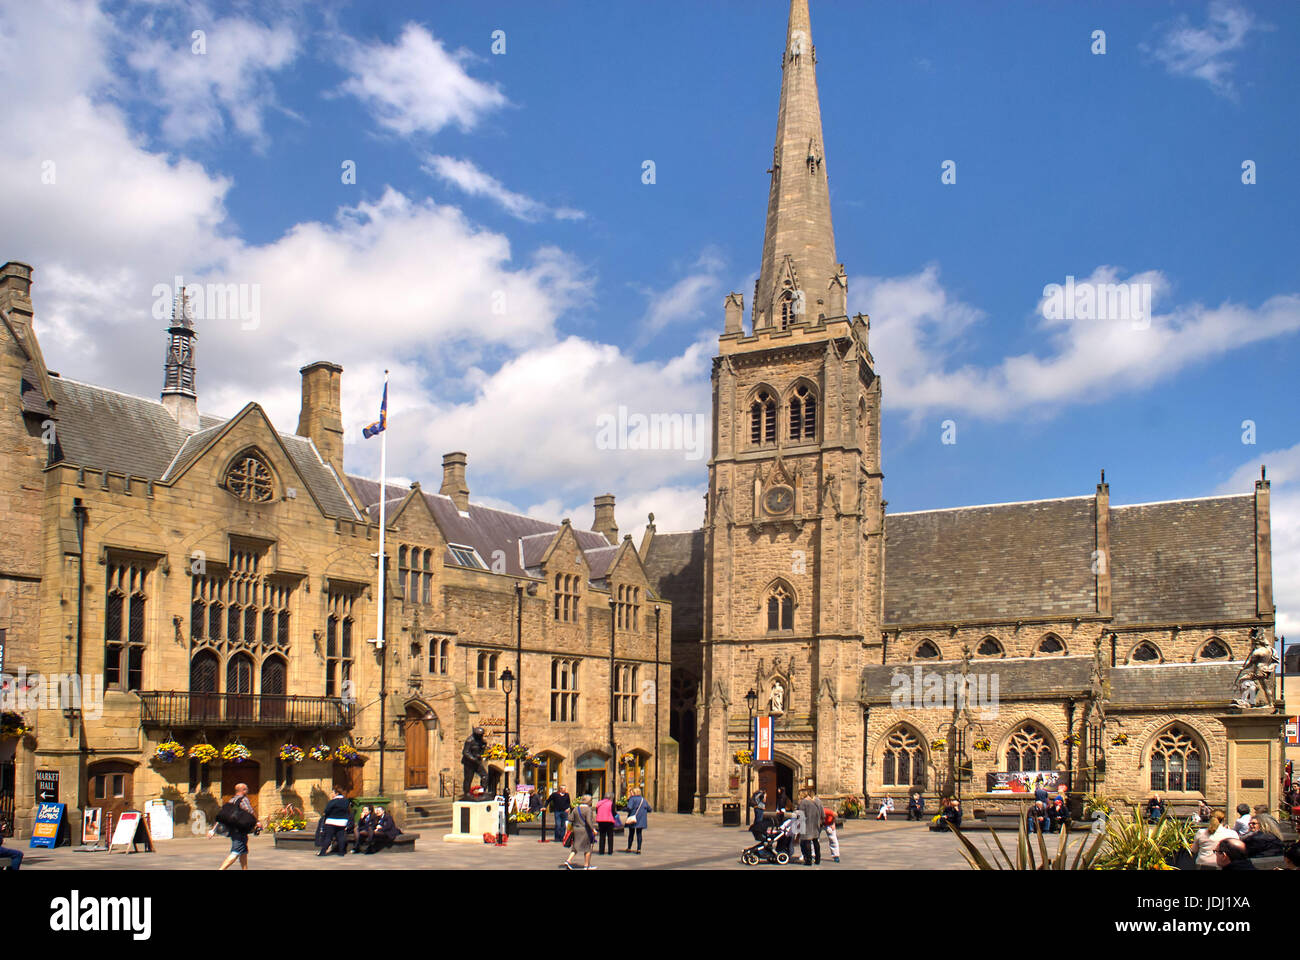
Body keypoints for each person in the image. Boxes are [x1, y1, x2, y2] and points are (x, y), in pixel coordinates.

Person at [209, 782, 262, 870]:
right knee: (236, 852)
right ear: (243, 790)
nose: (248, 790)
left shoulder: (231, 801)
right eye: (246, 789)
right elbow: (250, 811)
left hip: (233, 829)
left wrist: (213, 830)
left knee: (243, 852)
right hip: (240, 830)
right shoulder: (243, 799)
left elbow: (222, 817)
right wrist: (257, 822)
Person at [563, 794, 598, 870]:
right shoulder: (588, 810)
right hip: (585, 830)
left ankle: (568, 860)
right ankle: (586, 866)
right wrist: (593, 829)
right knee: (587, 848)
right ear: (589, 801)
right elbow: (589, 821)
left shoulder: (576, 808)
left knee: (575, 847)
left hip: (576, 829)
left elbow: (570, 818)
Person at [318, 786, 352, 856]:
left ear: (336, 793)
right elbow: (348, 811)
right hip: (342, 822)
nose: (332, 794)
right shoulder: (346, 801)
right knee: (341, 837)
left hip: (331, 821)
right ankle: (341, 852)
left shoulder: (332, 801)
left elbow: (326, 811)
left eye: (332, 792)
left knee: (328, 837)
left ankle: (323, 852)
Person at [798, 789, 824, 865]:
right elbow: (823, 814)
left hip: (807, 824)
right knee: (816, 841)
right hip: (816, 824)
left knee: (807, 841)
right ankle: (818, 859)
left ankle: (808, 860)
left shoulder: (804, 802)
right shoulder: (818, 801)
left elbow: (800, 815)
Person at [623, 787, 650, 854]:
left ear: (634, 792)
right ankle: (639, 849)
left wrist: (624, 809)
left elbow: (629, 807)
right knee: (639, 834)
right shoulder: (643, 799)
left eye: (631, 792)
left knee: (631, 833)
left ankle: (629, 848)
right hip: (641, 819)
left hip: (633, 818)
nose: (630, 793)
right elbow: (649, 809)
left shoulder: (632, 799)